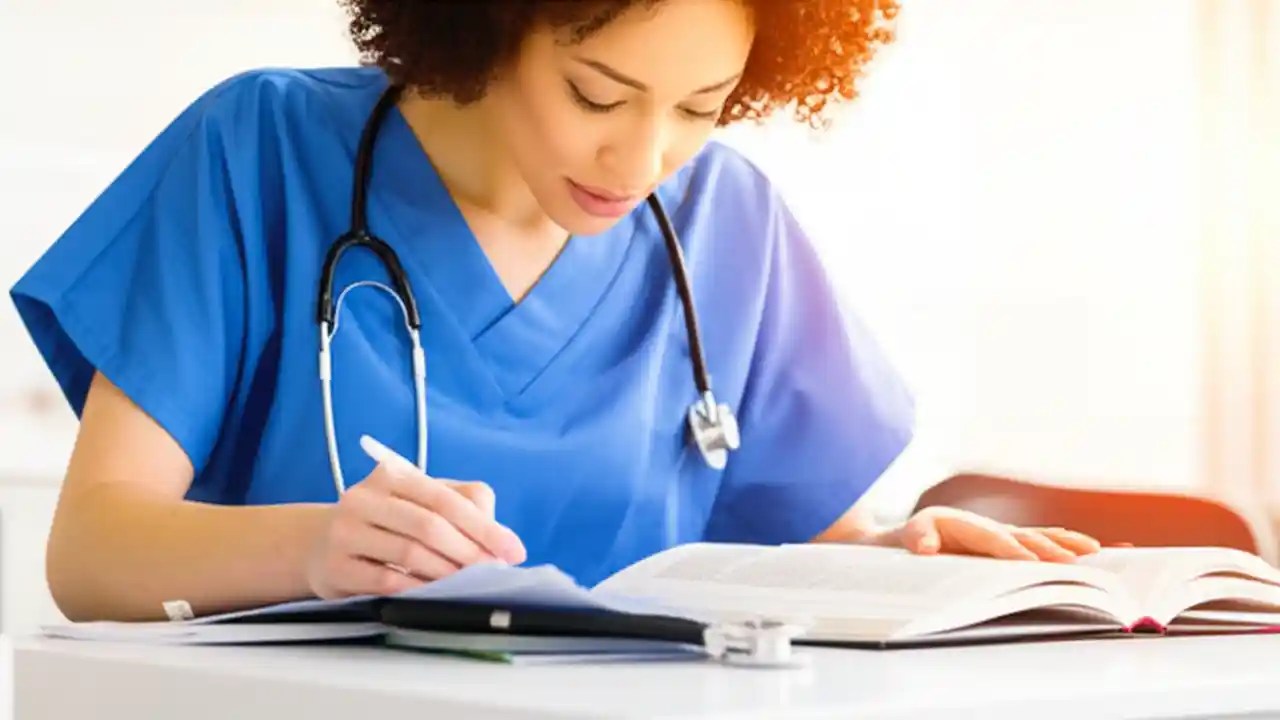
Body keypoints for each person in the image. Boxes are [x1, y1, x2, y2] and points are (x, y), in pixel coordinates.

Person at [11, 0, 1100, 623]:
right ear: (489, 26)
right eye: (596, 94)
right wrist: (315, 550)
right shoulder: (259, 150)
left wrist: (897, 554)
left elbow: (795, 540)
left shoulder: (727, 222)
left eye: (699, 108)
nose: (641, 159)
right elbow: (92, 551)